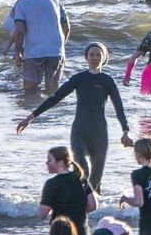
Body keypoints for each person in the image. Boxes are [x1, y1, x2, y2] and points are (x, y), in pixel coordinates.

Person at [17, 44, 129, 193]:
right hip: (79, 132)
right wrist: (31, 117)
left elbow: (119, 108)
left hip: (100, 134)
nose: (94, 58)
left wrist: (125, 130)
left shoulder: (107, 81)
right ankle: (75, 202)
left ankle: (95, 210)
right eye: (91, 55)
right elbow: (55, 98)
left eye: (98, 55)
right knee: (83, 169)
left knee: (95, 180)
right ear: (86, 57)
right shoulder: (79, 79)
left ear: (103, 58)